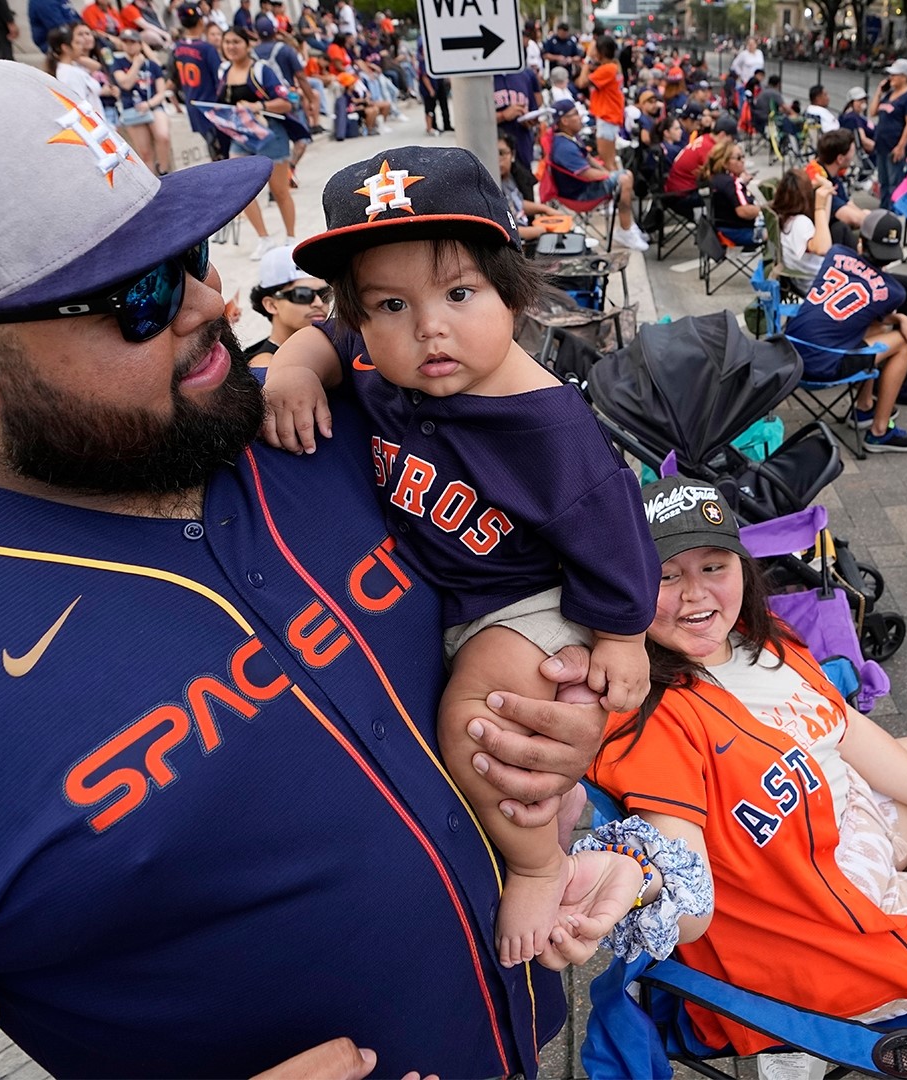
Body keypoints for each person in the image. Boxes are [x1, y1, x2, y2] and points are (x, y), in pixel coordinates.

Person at [0, 58, 637, 1080]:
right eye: (140, 293)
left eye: (188, 248)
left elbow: (538, 600)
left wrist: (567, 760)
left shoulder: (330, 419)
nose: (211, 300)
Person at [259, 145, 657, 969]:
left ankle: (539, 866)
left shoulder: (545, 422)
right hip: (461, 598)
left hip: (530, 599)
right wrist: (292, 369)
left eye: (459, 293)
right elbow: (326, 339)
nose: (428, 326)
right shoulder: (377, 362)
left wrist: (624, 638)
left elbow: (616, 531)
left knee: (472, 721)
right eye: (391, 304)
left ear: (512, 292)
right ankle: (548, 822)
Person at [588, 476, 907, 1062]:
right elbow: (687, 899)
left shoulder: (757, 637)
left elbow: (843, 726)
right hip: (797, 930)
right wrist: (638, 882)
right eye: (665, 576)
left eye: (713, 566)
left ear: (742, 566)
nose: (696, 594)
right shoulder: (650, 715)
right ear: (625, 587)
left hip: (829, 838)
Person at [785, 211, 907, 453]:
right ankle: (880, 431)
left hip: (789, 355)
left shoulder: (836, 253)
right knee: (904, 342)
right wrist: (902, 318)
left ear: (861, 242)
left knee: (875, 327)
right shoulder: (894, 291)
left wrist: (898, 318)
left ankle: (864, 408)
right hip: (820, 367)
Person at [218, 26, 298, 260]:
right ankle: (264, 238)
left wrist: (258, 106)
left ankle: (291, 238)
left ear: (247, 44)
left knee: (280, 190)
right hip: (241, 137)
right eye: (227, 42)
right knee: (240, 190)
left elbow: (286, 103)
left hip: (270, 136)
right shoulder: (224, 72)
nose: (231, 47)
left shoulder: (262, 70)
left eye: (236, 42)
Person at [548, 99, 649, 251]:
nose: (580, 117)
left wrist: (608, 173)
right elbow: (587, 174)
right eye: (575, 113)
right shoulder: (563, 146)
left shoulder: (571, 137)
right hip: (578, 194)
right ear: (564, 121)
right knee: (624, 179)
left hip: (584, 186)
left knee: (623, 175)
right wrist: (611, 177)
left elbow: (588, 158)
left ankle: (629, 227)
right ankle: (626, 231)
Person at [242, 244, 331, 371]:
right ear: (271, 305)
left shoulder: (332, 346)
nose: (319, 303)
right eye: (302, 295)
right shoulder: (266, 366)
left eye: (324, 294)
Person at [112, 31, 173, 174]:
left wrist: (149, 104)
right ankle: (153, 178)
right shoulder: (118, 63)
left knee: (163, 135)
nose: (129, 46)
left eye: (132, 42)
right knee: (144, 152)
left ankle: (163, 170)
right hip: (132, 109)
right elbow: (125, 84)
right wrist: (136, 65)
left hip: (153, 106)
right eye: (125, 42)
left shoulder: (152, 65)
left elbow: (161, 92)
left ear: (140, 44)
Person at [170, 4, 226, 157]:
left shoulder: (177, 48)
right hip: (211, 107)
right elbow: (220, 81)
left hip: (193, 106)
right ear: (201, 21)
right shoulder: (206, 48)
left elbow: (173, 79)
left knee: (213, 150)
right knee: (222, 152)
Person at [871, 59, 907, 208]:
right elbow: (872, 112)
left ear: (904, 77)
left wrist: (900, 146)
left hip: (894, 146)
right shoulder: (889, 94)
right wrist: (879, 92)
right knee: (883, 181)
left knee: (894, 183)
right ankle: (883, 209)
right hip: (882, 144)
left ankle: (892, 211)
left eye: (895, 75)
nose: (891, 78)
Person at [772, 167, 833, 280]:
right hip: (816, 281)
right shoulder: (800, 223)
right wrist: (819, 207)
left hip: (804, 276)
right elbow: (823, 249)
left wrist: (827, 195)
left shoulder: (785, 218)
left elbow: (823, 229)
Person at [704, 141, 762, 246]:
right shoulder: (731, 182)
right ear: (724, 163)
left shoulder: (716, 178)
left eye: (743, 157)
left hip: (720, 229)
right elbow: (744, 212)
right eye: (738, 158)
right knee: (777, 233)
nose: (743, 161)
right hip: (738, 232)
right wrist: (768, 210)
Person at [45, 23, 106, 113]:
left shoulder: (73, 69)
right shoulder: (68, 73)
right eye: (77, 43)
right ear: (65, 48)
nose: (81, 46)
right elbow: (80, 106)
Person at [584, 33, 625, 164]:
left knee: (607, 162)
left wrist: (587, 58)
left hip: (607, 117)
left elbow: (582, 82)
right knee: (611, 161)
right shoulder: (614, 66)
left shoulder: (608, 69)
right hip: (610, 116)